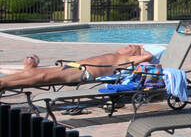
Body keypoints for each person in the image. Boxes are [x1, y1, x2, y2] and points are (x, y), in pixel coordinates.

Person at [0, 44, 159, 89]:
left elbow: (149, 56)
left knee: (42, 77)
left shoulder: (128, 58)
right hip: (75, 66)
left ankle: (4, 84)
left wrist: (142, 49)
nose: (127, 46)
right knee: (35, 72)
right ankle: (5, 81)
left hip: (84, 72)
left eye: (131, 46)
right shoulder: (115, 54)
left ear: (135, 53)